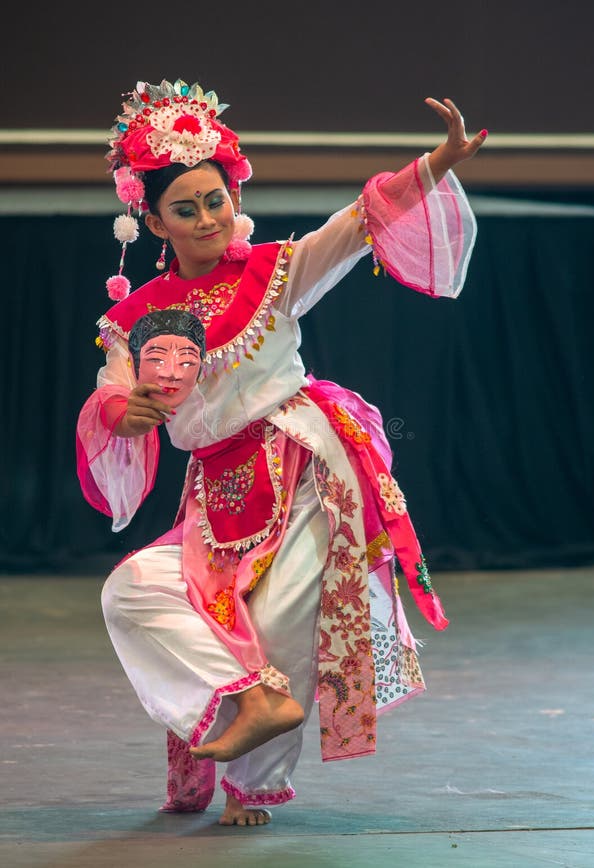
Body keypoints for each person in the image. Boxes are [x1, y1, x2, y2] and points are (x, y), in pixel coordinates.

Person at [76, 77, 486, 827]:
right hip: (216, 494)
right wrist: (121, 409)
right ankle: (252, 700)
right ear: (153, 221)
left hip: (301, 469)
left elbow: (359, 222)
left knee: (288, 617)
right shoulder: (133, 318)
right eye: (185, 208)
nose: (207, 218)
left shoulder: (272, 272)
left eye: (215, 199)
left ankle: (252, 784)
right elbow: (115, 391)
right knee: (130, 593)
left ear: (233, 195)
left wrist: (437, 161)